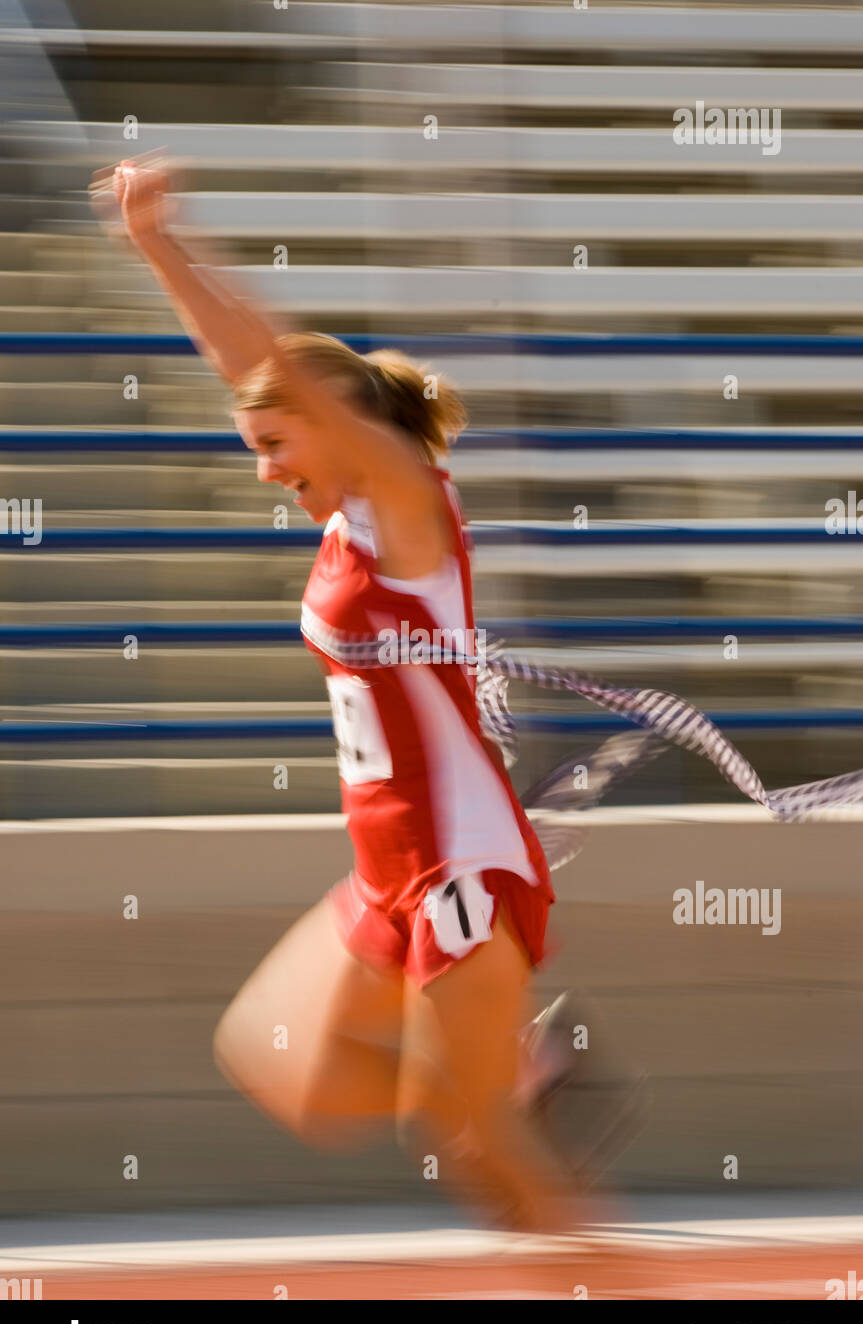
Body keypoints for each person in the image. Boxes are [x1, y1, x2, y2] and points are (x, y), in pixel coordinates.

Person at [91, 155, 644, 1235]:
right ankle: (512, 1066)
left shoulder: (405, 501)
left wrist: (170, 233)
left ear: (339, 424)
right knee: (283, 1066)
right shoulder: (349, 528)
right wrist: (151, 247)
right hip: (386, 869)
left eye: (272, 446)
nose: (260, 470)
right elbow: (255, 375)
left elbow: (274, 369)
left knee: (489, 1164)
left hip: (455, 860)